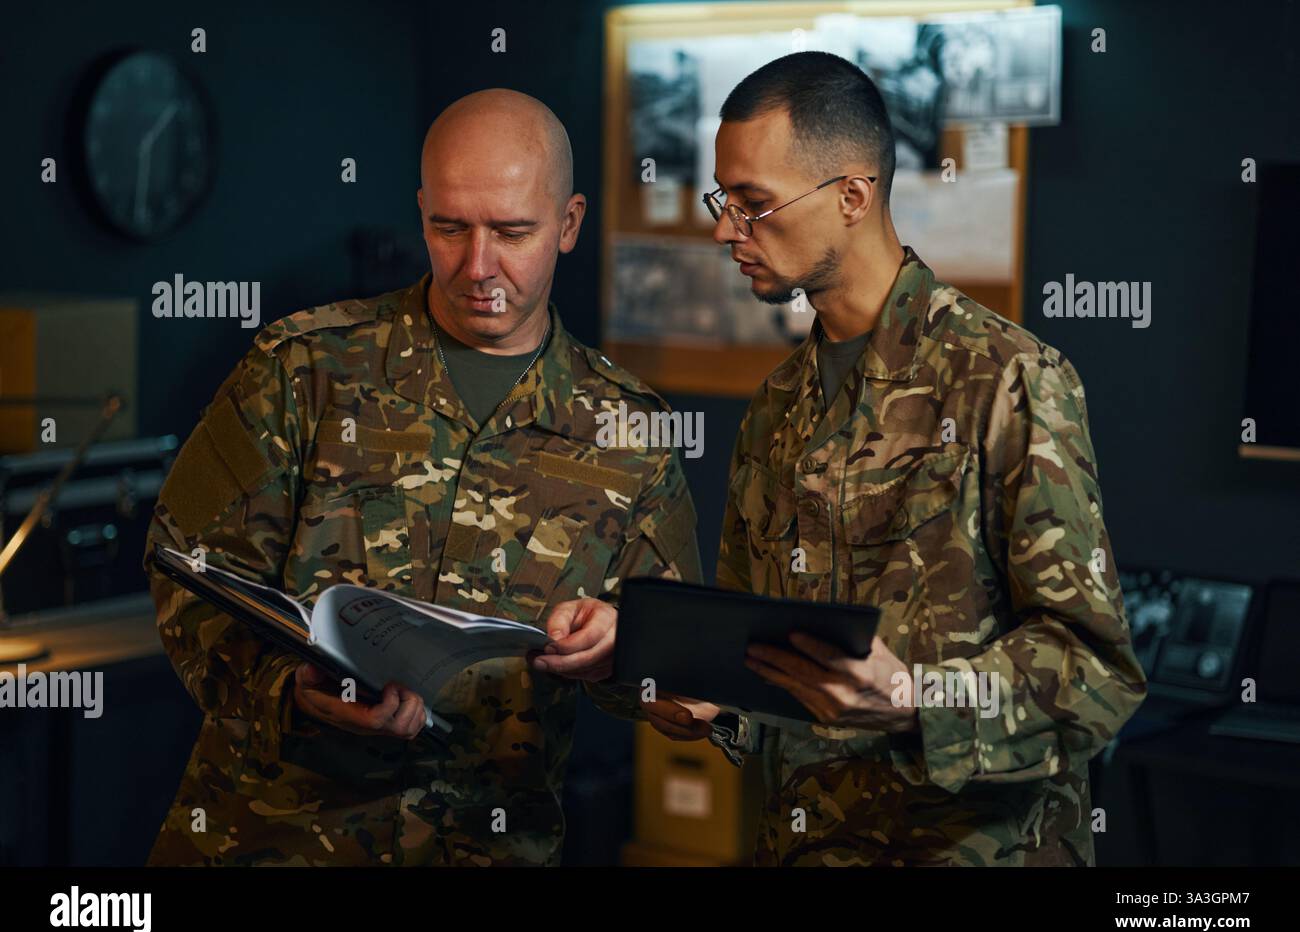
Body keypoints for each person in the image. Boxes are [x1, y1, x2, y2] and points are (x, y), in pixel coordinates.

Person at [142, 88, 700, 866]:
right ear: (421, 211)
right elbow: (187, 567)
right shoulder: (304, 368)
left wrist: (625, 652)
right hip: (267, 841)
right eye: (449, 228)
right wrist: (287, 694)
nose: (478, 267)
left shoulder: (632, 431)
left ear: (569, 225)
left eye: (512, 232)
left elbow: (676, 677)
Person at [638, 51, 1147, 865]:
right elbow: (766, 661)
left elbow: (1095, 673)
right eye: (722, 198)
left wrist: (914, 700)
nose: (725, 228)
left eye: (752, 202)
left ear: (852, 196)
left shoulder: (1006, 379)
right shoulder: (775, 409)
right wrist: (708, 700)